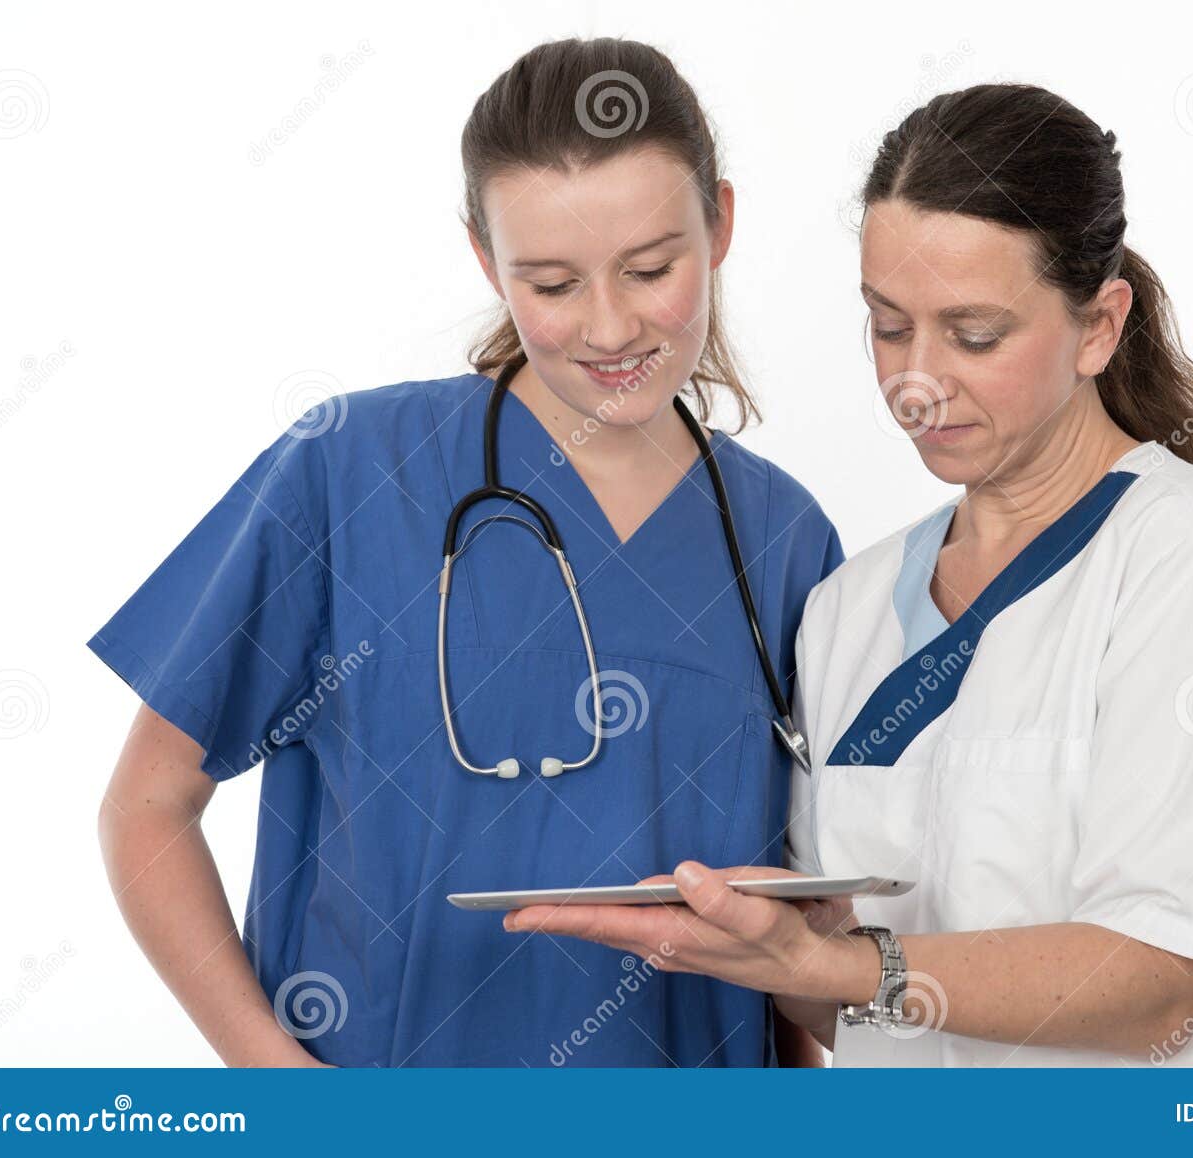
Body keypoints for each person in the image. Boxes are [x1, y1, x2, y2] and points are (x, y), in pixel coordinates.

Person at [507, 82, 1193, 1067]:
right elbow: (837, 1001)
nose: (917, 381)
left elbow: (1164, 981)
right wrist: (756, 945)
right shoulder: (851, 608)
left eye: (975, 335)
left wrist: (845, 972)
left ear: (1099, 325)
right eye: (889, 325)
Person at [89, 37, 841, 1068]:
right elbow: (147, 803)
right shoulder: (348, 470)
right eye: (551, 282)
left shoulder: (785, 537)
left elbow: (790, 938)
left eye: (650, 268)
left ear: (721, 224)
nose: (610, 325)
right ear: (487, 262)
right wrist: (275, 1082)